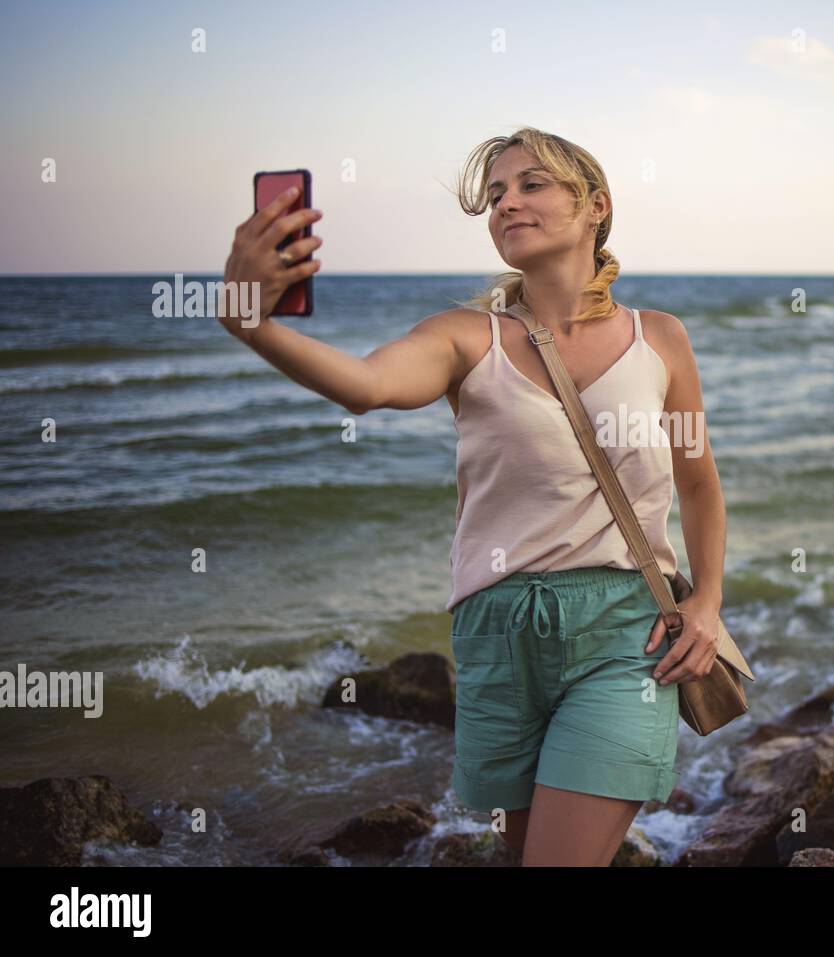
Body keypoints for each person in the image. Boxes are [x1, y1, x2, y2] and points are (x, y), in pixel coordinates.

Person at [218, 127, 727, 866]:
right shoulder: (464, 338)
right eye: (495, 195)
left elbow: (698, 483)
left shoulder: (661, 340)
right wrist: (247, 320)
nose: (507, 204)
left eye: (530, 185)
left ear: (595, 206)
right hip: (497, 638)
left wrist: (707, 599)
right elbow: (365, 386)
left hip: (624, 636)